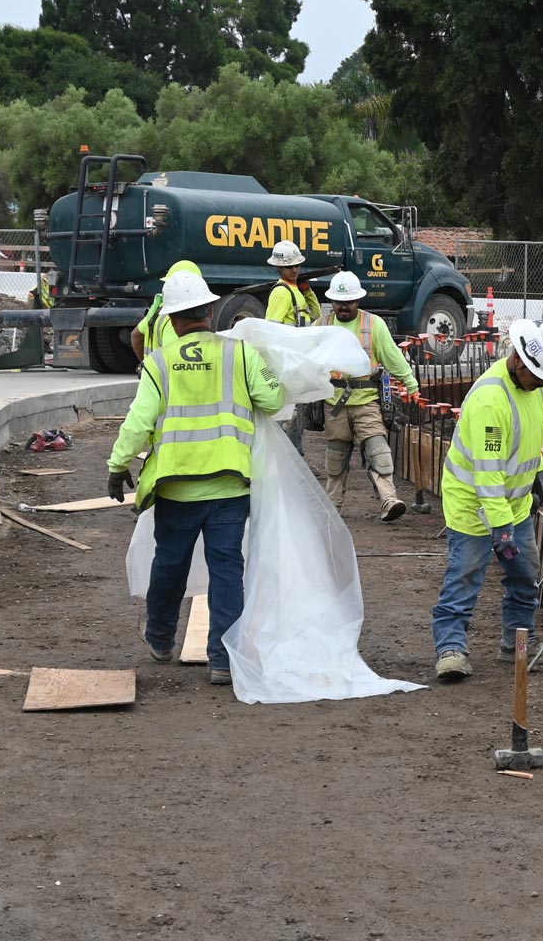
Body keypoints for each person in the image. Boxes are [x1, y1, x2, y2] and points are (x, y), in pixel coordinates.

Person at [104, 264, 286, 687]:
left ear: (169, 318)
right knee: (226, 570)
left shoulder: (159, 362)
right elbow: (273, 399)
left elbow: (138, 422)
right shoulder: (238, 353)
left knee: (169, 564)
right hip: (229, 483)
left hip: (177, 486)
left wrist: (117, 466)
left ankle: (161, 639)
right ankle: (223, 660)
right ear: (209, 309)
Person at [432, 318, 543, 683]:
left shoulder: (533, 386)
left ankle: (518, 646)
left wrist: (537, 471)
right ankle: (451, 649)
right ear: (520, 362)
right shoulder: (490, 402)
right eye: (540, 376)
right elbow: (488, 475)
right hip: (475, 507)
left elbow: (530, 434)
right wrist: (502, 527)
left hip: (514, 504)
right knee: (465, 576)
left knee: (525, 577)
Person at [318, 269, 416, 522]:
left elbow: (393, 358)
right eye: (339, 302)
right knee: (336, 458)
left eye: (348, 302)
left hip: (366, 402)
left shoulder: (373, 325)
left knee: (378, 451)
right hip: (335, 403)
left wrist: (411, 384)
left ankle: (389, 500)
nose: (343, 307)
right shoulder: (322, 326)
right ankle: (333, 506)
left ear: (357, 301)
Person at [259, 239, 320, 452]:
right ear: (279, 267)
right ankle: (286, 459)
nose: (294, 270)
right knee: (288, 415)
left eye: (297, 265)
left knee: (297, 414)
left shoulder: (295, 290)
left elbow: (318, 317)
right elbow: (271, 330)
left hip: (296, 361)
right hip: (286, 363)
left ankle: (295, 457)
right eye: (289, 266)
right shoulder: (281, 292)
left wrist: (308, 291)